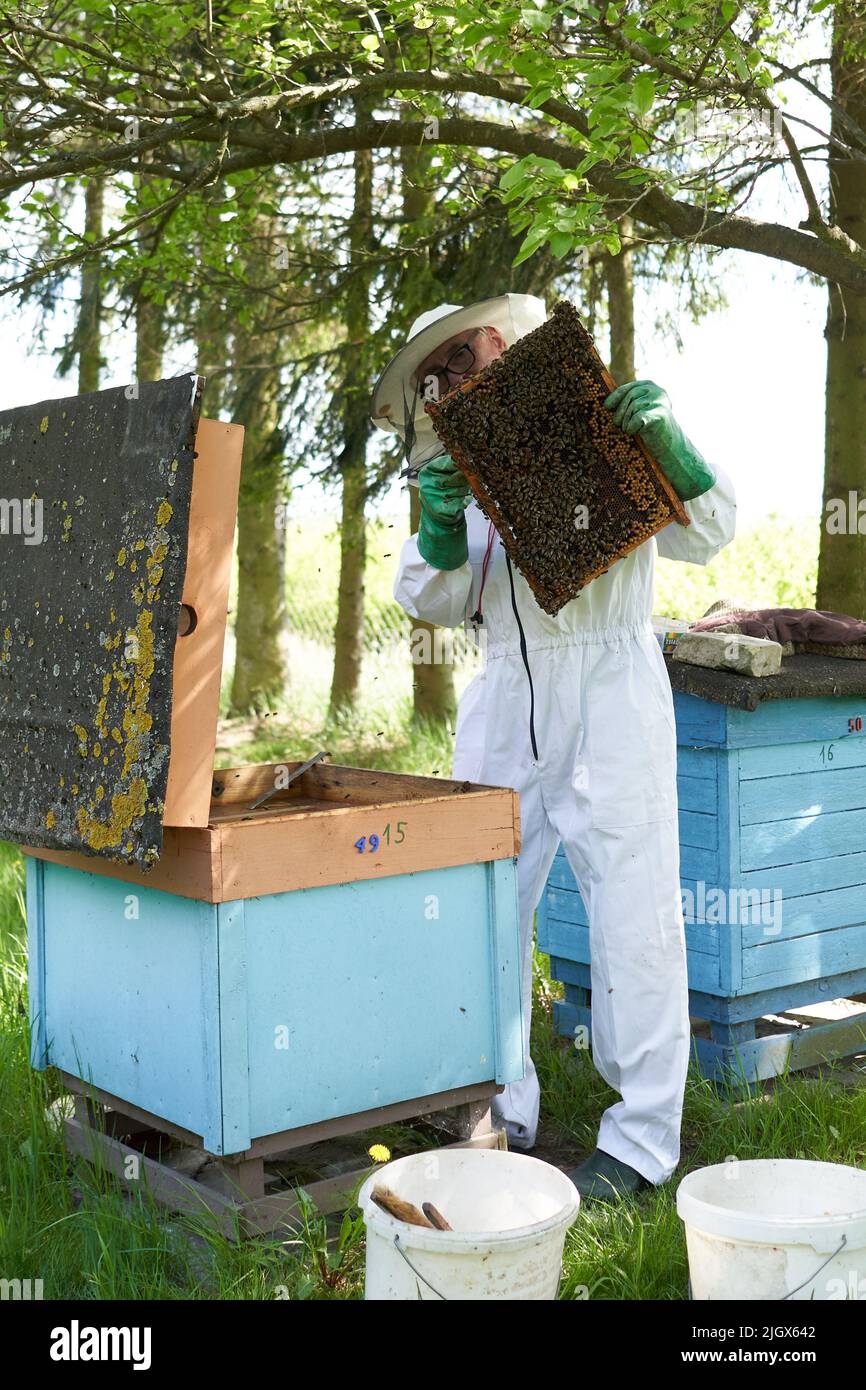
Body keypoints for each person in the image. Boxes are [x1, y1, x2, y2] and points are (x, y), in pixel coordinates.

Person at [371, 294, 737, 1200]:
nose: (448, 382)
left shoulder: (596, 422)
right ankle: (500, 1103)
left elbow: (713, 531)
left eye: (457, 361)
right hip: (503, 695)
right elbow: (433, 599)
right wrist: (439, 523)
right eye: (435, 377)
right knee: (484, 902)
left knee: (633, 909)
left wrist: (672, 447)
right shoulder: (456, 463)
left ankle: (644, 1139)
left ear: (502, 341)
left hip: (610, 682)